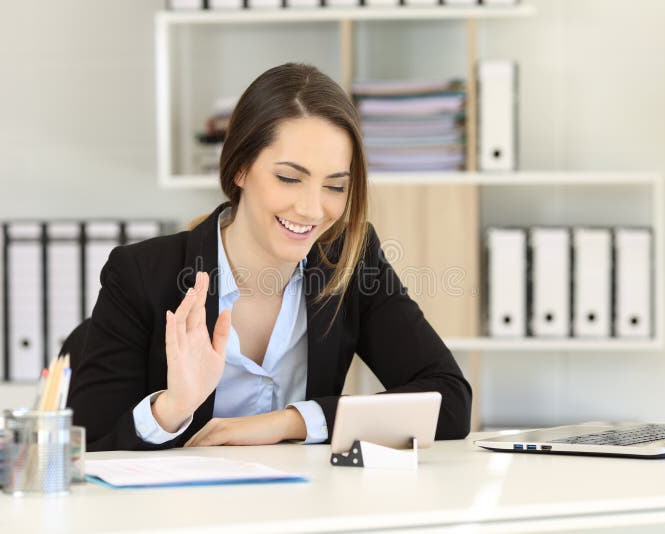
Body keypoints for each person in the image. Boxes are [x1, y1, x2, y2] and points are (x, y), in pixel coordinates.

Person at [68, 63, 473, 452]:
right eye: (289, 178)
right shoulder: (141, 273)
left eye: (334, 186)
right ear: (240, 168)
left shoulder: (350, 259)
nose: (313, 210)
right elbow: (90, 443)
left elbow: (449, 401)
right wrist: (172, 407)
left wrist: (289, 422)